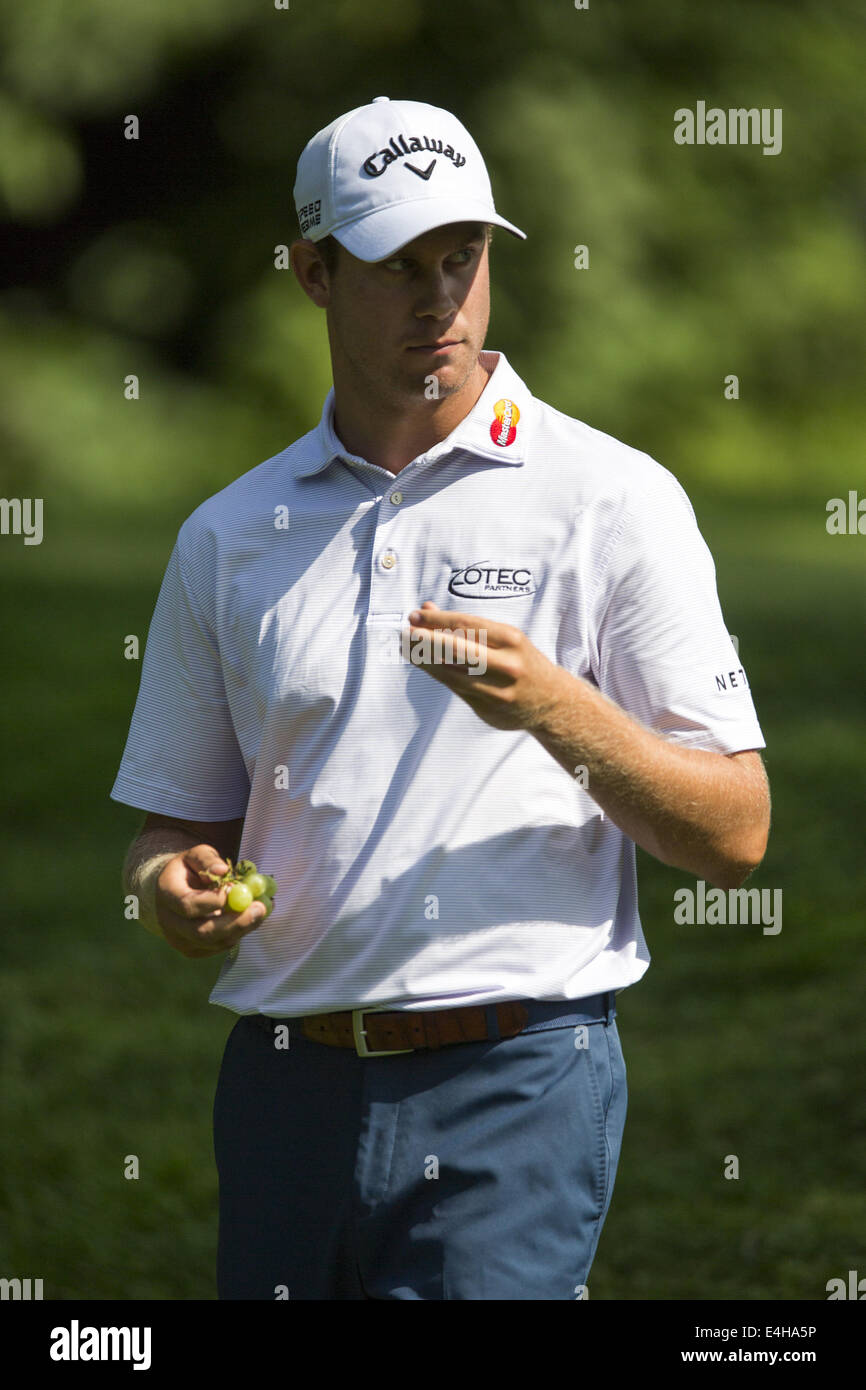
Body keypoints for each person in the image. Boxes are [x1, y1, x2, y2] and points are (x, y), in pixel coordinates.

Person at [112, 96, 770, 1300]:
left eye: (462, 256)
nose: (440, 298)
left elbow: (733, 834)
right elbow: (175, 828)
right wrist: (169, 890)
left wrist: (551, 709)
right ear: (313, 273)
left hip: (515, 1078)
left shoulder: (612, 498)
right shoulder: (224, 536)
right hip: (282, 1080)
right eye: (395, 264)